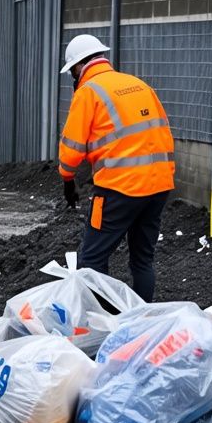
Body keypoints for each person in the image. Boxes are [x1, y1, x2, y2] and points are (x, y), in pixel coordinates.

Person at [57, 34, 175, 302]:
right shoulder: (139, 85)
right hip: (158, 187)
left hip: (118, 189)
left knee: (92, 259)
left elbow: (71, 150)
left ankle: (103, 323)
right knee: (142, 262)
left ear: (78, 67)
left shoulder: (89, 92)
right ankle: (139, 325)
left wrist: (67, 180)